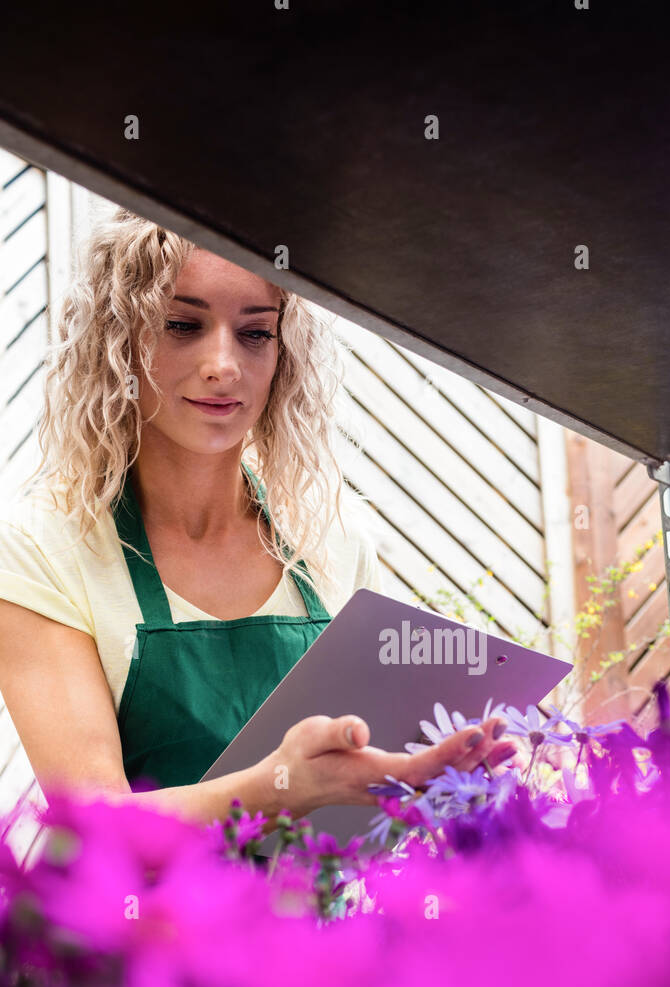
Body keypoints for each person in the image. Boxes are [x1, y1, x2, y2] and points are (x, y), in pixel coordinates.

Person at [0, 210, 515, 831]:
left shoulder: (333, 539)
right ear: (116, 346)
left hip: (309, 924)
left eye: (255, 333)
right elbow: (94, 823)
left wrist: (426, 778)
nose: (224, 364)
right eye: (182, 325)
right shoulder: (40, 549)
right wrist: (277, 790)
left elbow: (351, 798)